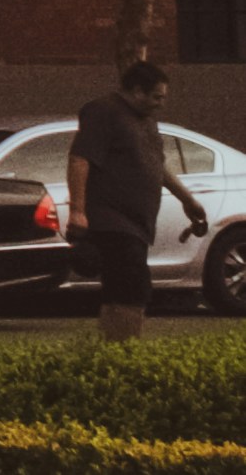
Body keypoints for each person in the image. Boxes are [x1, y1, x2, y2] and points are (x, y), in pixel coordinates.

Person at [68, 60, 206, 340]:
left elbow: (157, 165)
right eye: (157, 97)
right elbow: (80, 158)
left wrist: (187, 200)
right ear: (136, 90)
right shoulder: (103, 111)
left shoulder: (146, 121)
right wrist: (77, 210)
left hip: (138, 223)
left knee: (128, 289)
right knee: (130, 288)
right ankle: (122, 351)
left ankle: (118, 349)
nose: (161, 104)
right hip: (112, 219)